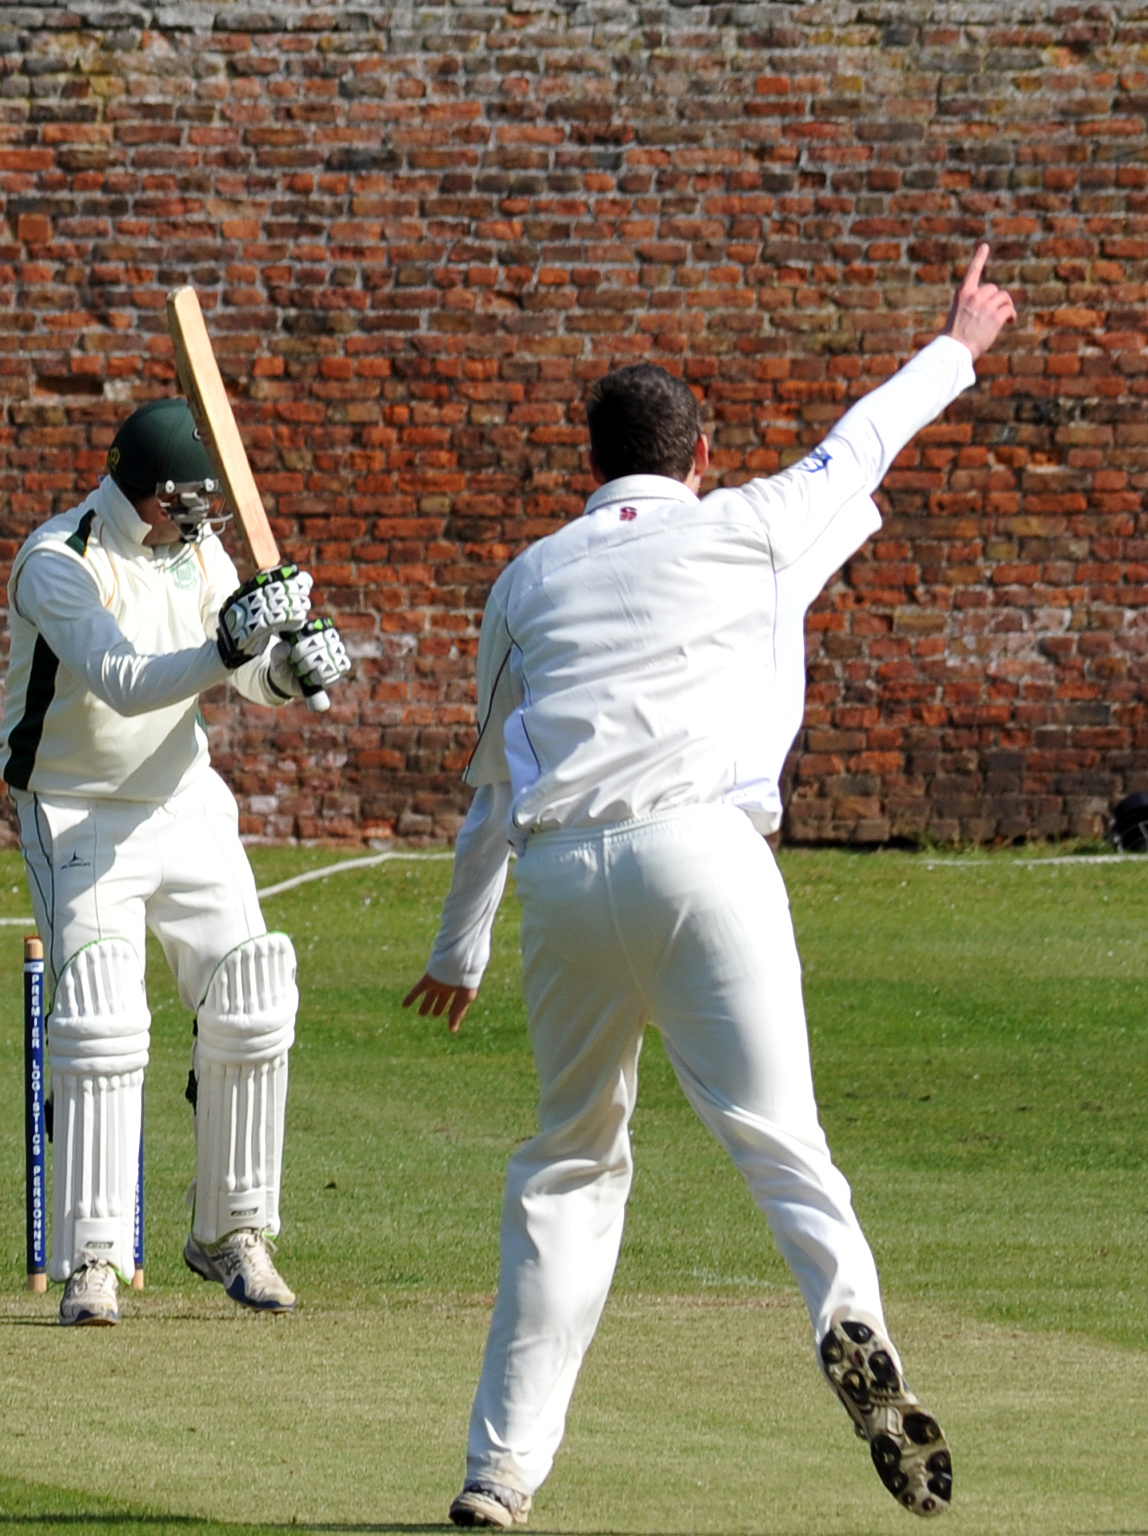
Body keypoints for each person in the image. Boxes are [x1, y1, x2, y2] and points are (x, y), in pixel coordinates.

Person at [407, 249, 1015, 1527]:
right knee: (784, 1148)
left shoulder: (526, 579)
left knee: (566, 1169)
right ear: (699, 452)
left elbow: (492, 791)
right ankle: (849, 1319)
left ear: (592, 462)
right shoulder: (746, 524)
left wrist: (458, 950)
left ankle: (498, 1470)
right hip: (707, 857)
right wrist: (958, 340)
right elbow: (863, 445)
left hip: (566, 878)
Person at [5, 399, 355, 1326]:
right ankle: (93, 1258)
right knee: (103, 1016)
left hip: (183, 798)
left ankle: (231, 1235)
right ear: (145, 493)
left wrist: (283, 670)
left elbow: (237, 677)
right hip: (76, 808)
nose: (203, 520)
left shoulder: (198, 549)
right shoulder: (59, 561)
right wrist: (227, 642)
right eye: (186, 502)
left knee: (252, 991)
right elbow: (122, 683)